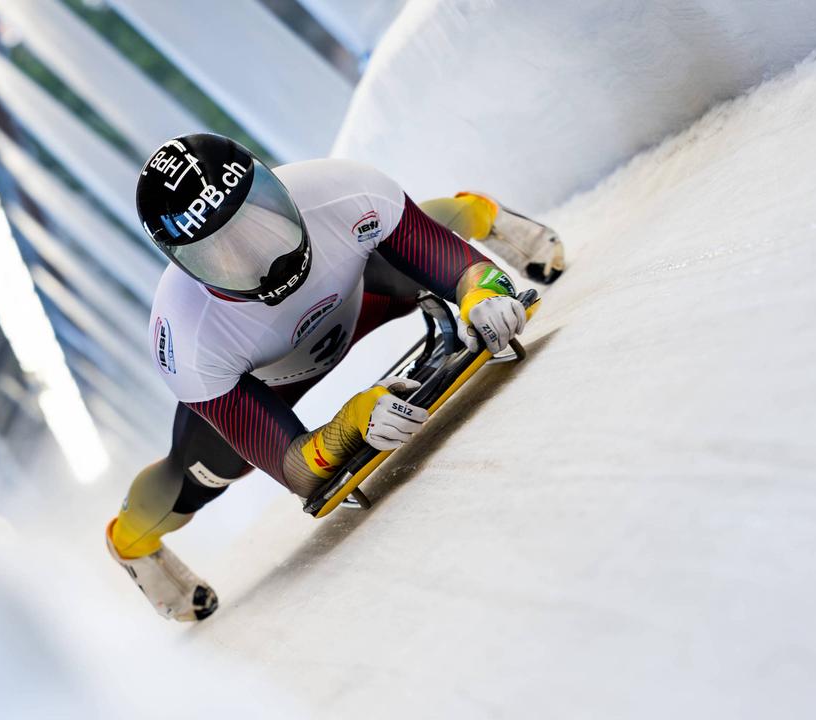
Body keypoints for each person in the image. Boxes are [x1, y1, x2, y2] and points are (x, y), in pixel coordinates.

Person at [105, 133, 563, 621]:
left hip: (365, 295)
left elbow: (459, 267)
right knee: (205, 472)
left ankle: (479, 212)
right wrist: (351, 423)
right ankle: (130, 543)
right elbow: (296, 469)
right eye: (218, 252)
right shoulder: (186, 340)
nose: (259, 257)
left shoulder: (344, 190)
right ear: (183, 267)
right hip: (271, 374)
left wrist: (478, 293)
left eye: (260, 216)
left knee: (418, 244)